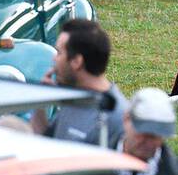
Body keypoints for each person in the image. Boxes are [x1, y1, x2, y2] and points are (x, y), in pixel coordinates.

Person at [30, 19, 127, 148]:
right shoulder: (75, 96)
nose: (54, 59)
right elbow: (47, 140)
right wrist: (40, 103)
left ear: (76, 61)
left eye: (59, 53)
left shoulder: (116, 117)